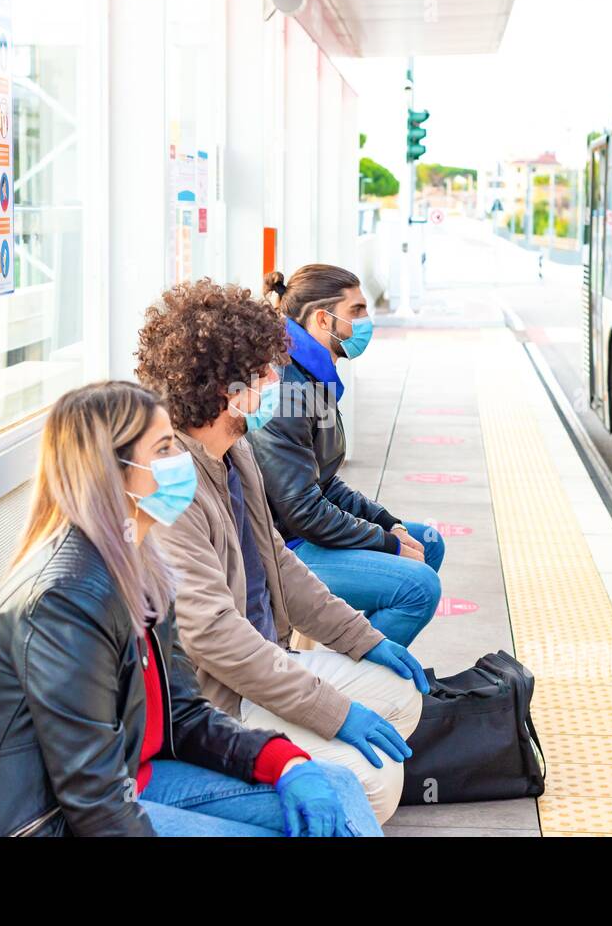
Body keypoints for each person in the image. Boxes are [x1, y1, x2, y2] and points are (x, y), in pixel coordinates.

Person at [0, 381, 381, 837]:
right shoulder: (65, 599)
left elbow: (183, 713)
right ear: (110, 470)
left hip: (139, 778)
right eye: (163, 450)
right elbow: (92, 799)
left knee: (333, 785)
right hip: (50, 818)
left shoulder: (141, 562)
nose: (180, 462)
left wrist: (284, 763)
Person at [135, 280, 429, 823]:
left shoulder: (235, 450)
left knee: (402, 690)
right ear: (228, 387)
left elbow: (280, 561)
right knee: (377, 781)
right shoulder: (174, 485)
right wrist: (334, 713)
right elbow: (213, 637)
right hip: (220, 702)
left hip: (270, 662)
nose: (277, 381)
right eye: (266, 370)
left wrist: (362, 639)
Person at [248, 264, 446, 648]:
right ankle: (345, 689)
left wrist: (387, 523)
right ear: (324, 318)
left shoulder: (312, 375)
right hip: (282, 551)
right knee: (418, 588)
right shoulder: (289, 389)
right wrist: (385, 542)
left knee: (427, 543)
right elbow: (303, 510)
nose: (366, 321)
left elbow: (323, 481)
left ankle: (351, 651)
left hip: (301, 534)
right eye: (356, 311)